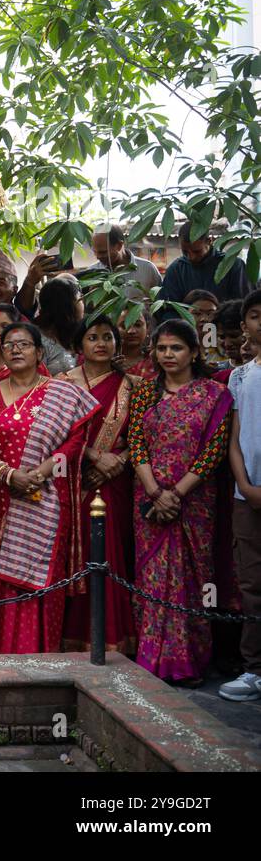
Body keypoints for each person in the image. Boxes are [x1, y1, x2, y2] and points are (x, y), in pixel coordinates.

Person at [0, 322, 98, 654]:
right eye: (9, 345)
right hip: (3, 498)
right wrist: (7, 474)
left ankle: (40, 658)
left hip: (46, 499)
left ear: (39, 352)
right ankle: (1, 660)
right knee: (0, 579)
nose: (16, 349)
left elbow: (76, 441)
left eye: (24, 344)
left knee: (43, 577)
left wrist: (45, 470)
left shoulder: (62, 393)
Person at [128, 319, 232, 684]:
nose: (168, 355)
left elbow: (213, 451)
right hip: (149, 498)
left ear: (194, 352)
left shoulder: (213, 395)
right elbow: (136, 444)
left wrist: (177, 493)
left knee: (194, 576)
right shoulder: (145, 393)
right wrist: (156, 491)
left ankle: (189, 661)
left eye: (176, 348)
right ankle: (151, 656)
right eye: (162, 348)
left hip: (194, 501)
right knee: (153, 576)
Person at [59, 315, 138, 655]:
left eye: (108, 337)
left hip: (115, 481)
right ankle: (73, 637)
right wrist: (92, 456)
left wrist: (117, 462)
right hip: (72, 479)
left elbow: (143, 436)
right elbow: (56, 433)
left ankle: (111, 638)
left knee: (109, 554)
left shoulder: (132, 384)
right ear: (80, 346)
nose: (101, 343)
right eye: (93, 337)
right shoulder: (63, 383)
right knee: (74, 556)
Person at [225, 289, 261, 701]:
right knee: (252, 584)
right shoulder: (240, 376)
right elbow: (234, 440)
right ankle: (254, 669)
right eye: (254, 315)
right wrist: (247, 486)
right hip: (246, 494)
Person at [160, 220, 252, 306]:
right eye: (185, 252)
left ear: (209, 241)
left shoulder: (233, 266)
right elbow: (168, 309)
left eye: (197, 251)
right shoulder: (175, 270)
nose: (191, 257)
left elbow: (243, 305)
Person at [91, 225, 162, 296]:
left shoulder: (148, 269)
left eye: (103, 252)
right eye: (95, 252)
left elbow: (160, 300)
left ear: (119, 245)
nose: (98, 257)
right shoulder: (91, 273)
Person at [35, 274, 84, 375]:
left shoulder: (83, 333)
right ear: (66, 306)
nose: (83, 303)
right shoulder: (38, 342)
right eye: (80, 299)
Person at [184, 289, 228, 370]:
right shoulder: (178, 347)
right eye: (197, 313)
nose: (204, 319)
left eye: (210, 313)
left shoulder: (227, 345)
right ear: (184, 316)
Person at [118, 304, 155, 380]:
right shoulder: (107, 362)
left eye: (137, 325)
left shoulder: (156, 360)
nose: (131, 331)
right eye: (125, 325)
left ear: (147, 327)